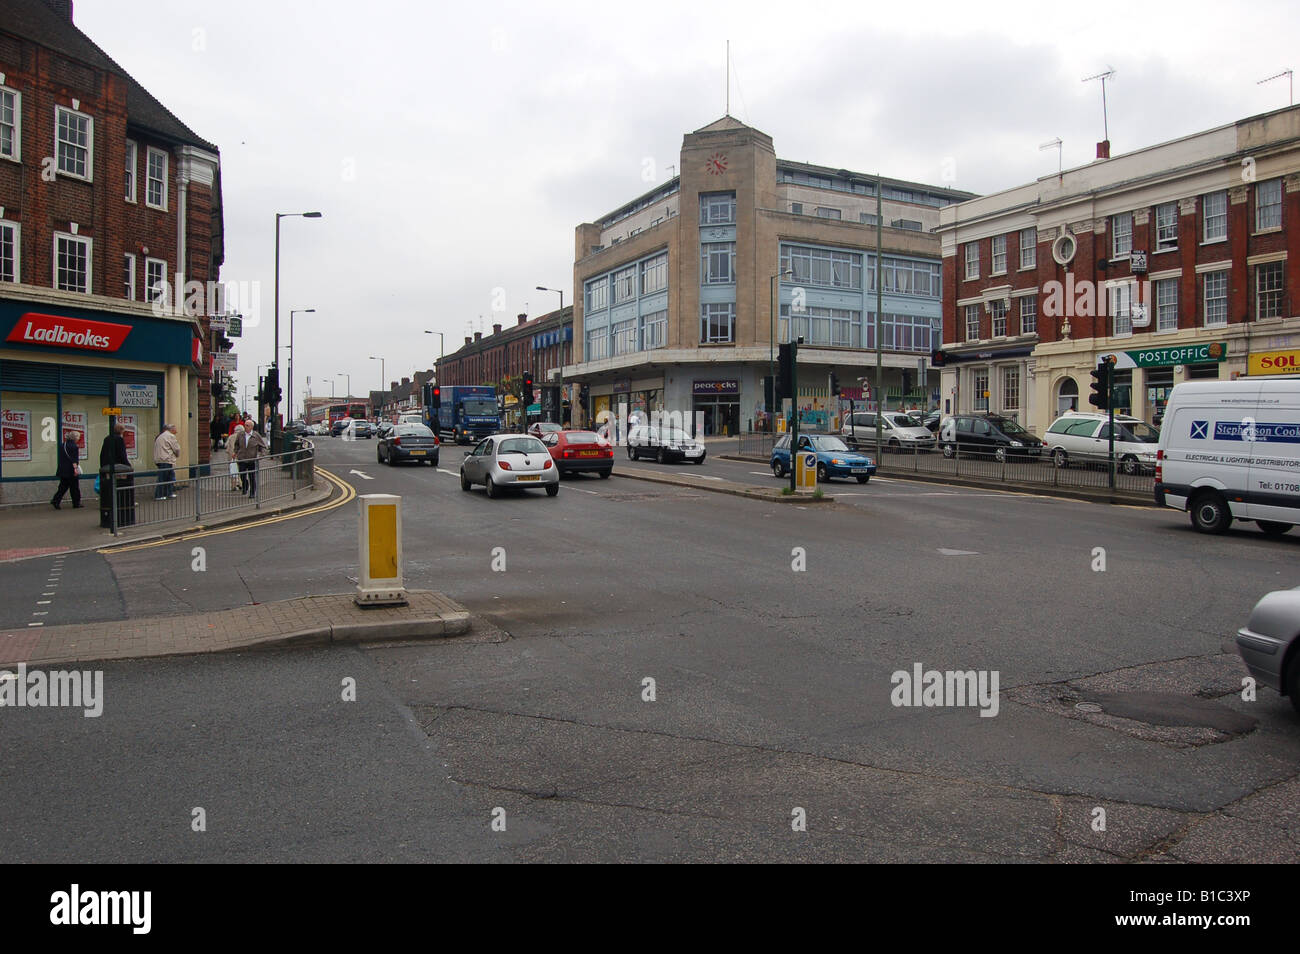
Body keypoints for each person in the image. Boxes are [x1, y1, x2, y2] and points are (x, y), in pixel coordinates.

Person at [98, 423, 131, 528]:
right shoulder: (119, 439)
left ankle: (110, 503)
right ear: (121, 430)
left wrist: (103, 466)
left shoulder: (107, 438)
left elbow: (103, 453)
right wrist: (128, 465)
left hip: (107, 466)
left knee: (109, 488)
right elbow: (122, 454)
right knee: (119, 487)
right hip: (118, 467)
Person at [52, 430, 83, 509]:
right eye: (78, 437)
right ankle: (76, 503)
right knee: (74, 487)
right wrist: (75, 469)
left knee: (63, 486)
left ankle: (56, 500)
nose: (79, 438)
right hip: (71, 470)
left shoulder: (63, 445)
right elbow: (74, 459)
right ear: (75, 438)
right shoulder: (74, 446)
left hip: (63, 469)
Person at [239, 422, 267, 497]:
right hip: (242, 458)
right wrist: (235, 452)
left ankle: (252, 492)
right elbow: (236, 444)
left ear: (251, 427)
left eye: (247, 426)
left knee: (252, 476)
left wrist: (262, 455)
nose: (245, 427)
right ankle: (245, 485)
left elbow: (263, 446)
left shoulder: (256, 435)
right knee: (242, 475)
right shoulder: (241, 434)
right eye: (245, 425)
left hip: (251, 459)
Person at [153, 423, 180, 499]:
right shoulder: (170, 436)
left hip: (160, 459)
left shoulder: (160, 436)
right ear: (171, 429)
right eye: (175, 429)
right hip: (166, 460)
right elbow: (176, 448)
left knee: (168, 477)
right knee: (164, 478)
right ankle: (159, 495)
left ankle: (168, 493)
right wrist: (177, 455)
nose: (176, 431)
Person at [229, 424, 248, 492]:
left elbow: (227, 446)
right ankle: (241, 484)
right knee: (241, 470)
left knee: (233, 471)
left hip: (232, 456)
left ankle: (233, 485)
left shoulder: (231, 437)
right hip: (240, 456)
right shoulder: (242, 436)